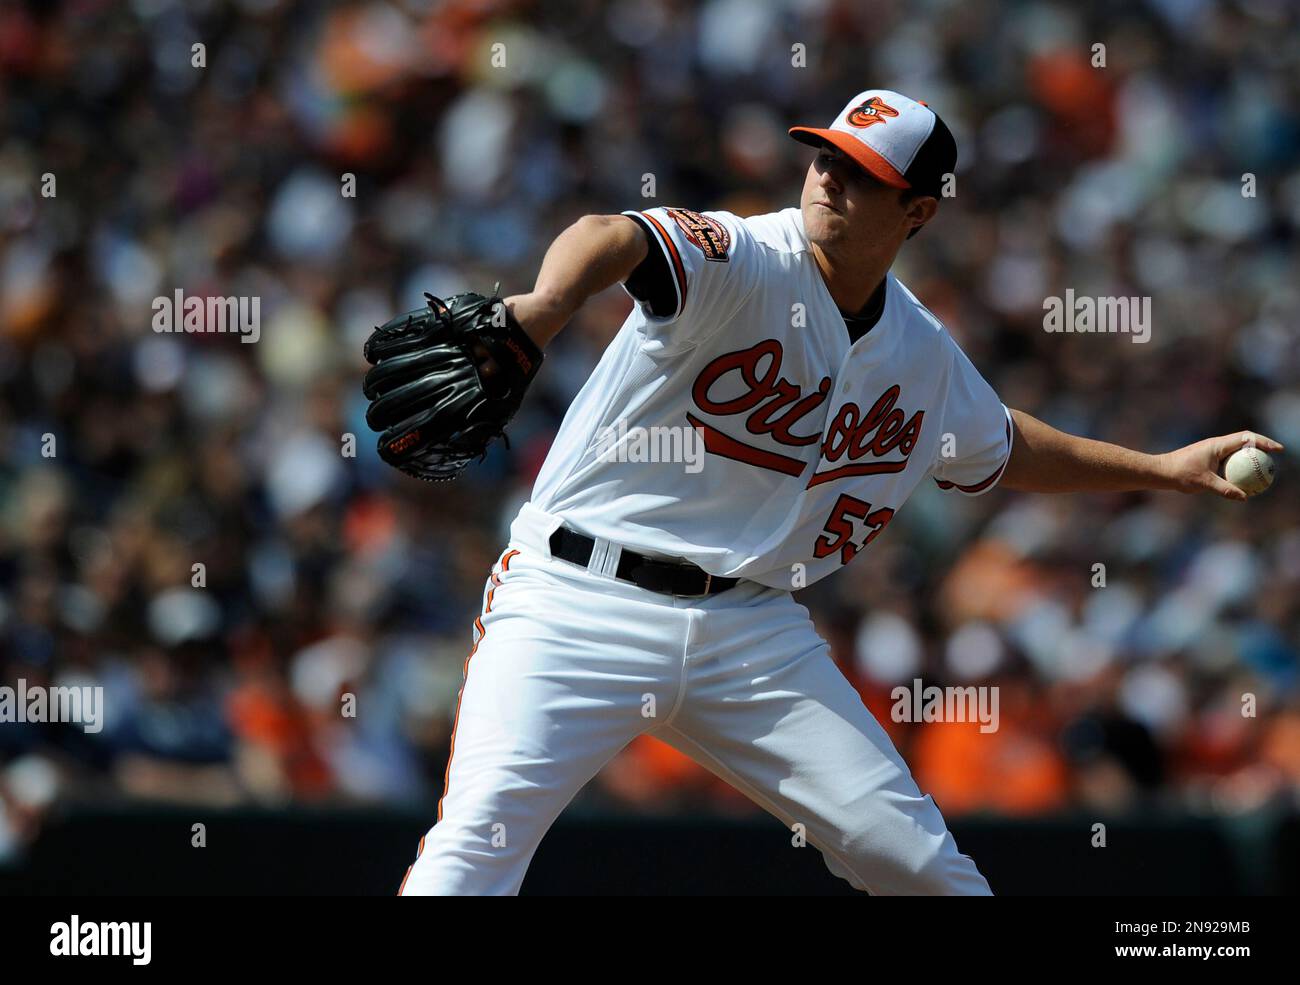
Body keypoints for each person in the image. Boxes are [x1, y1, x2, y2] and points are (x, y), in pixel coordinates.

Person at [397, 89, 1283, 896]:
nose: (830, 181)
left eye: (864, 176)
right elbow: (614, 235)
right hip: (575, 596)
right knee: (475, 845)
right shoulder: (746, 254)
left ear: (918, 211)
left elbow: (1006, 444)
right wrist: (543, 308)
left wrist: (1161, 468)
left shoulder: (920, 351)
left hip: (748, 631)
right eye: (826, 158)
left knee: (923, 867)